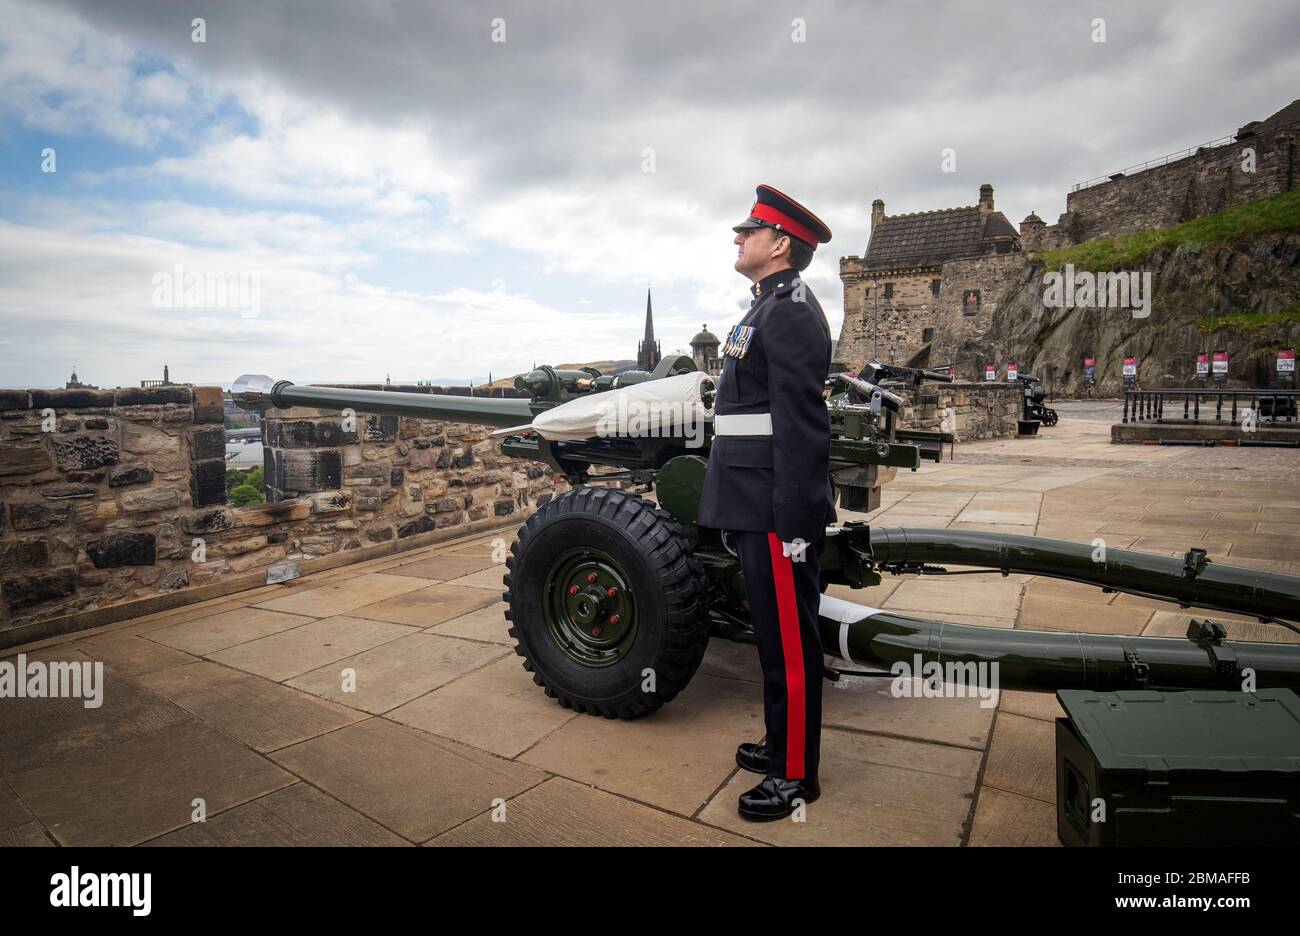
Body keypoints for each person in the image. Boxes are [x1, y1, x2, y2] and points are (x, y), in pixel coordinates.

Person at [698, 184, 836, 821]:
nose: (737, 238)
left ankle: (794, 775)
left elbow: (801, 423)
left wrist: (794, 518)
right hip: (753, 498)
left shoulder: (790, 311)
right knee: (773, 638)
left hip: (778, 509)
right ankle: (781, 743)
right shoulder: (765, 308)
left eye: (748, 231)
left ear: (780, 243)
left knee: (791, 641)